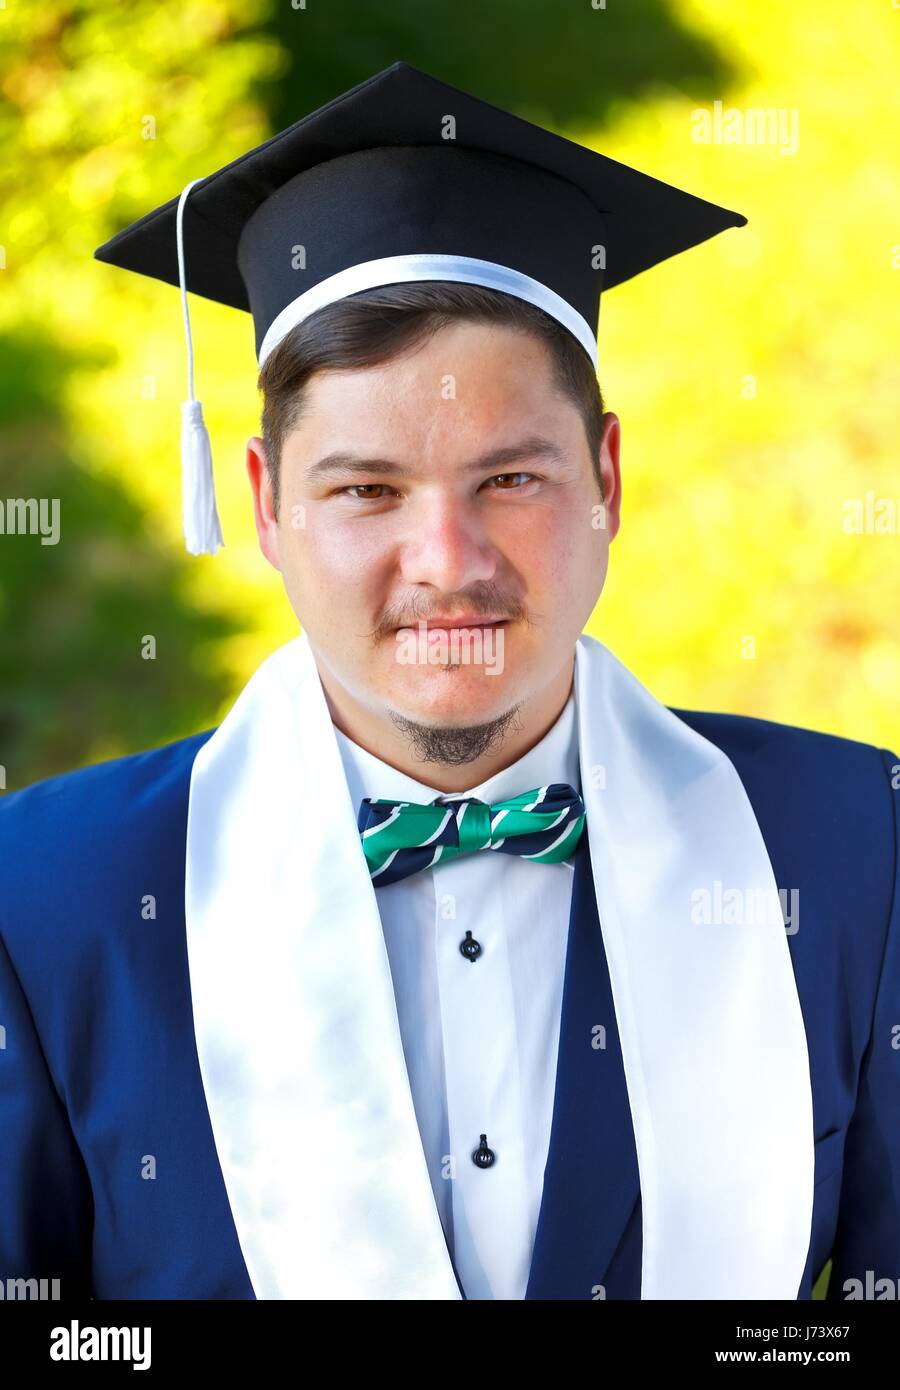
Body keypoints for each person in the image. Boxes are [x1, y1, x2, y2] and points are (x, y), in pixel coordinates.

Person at [0, 61, 897, 1302]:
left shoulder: (855, 853)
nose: (449, 565)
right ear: (264, 502)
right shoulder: (51, 901)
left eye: (511, 479)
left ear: (607, 479)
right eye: (366, 490)